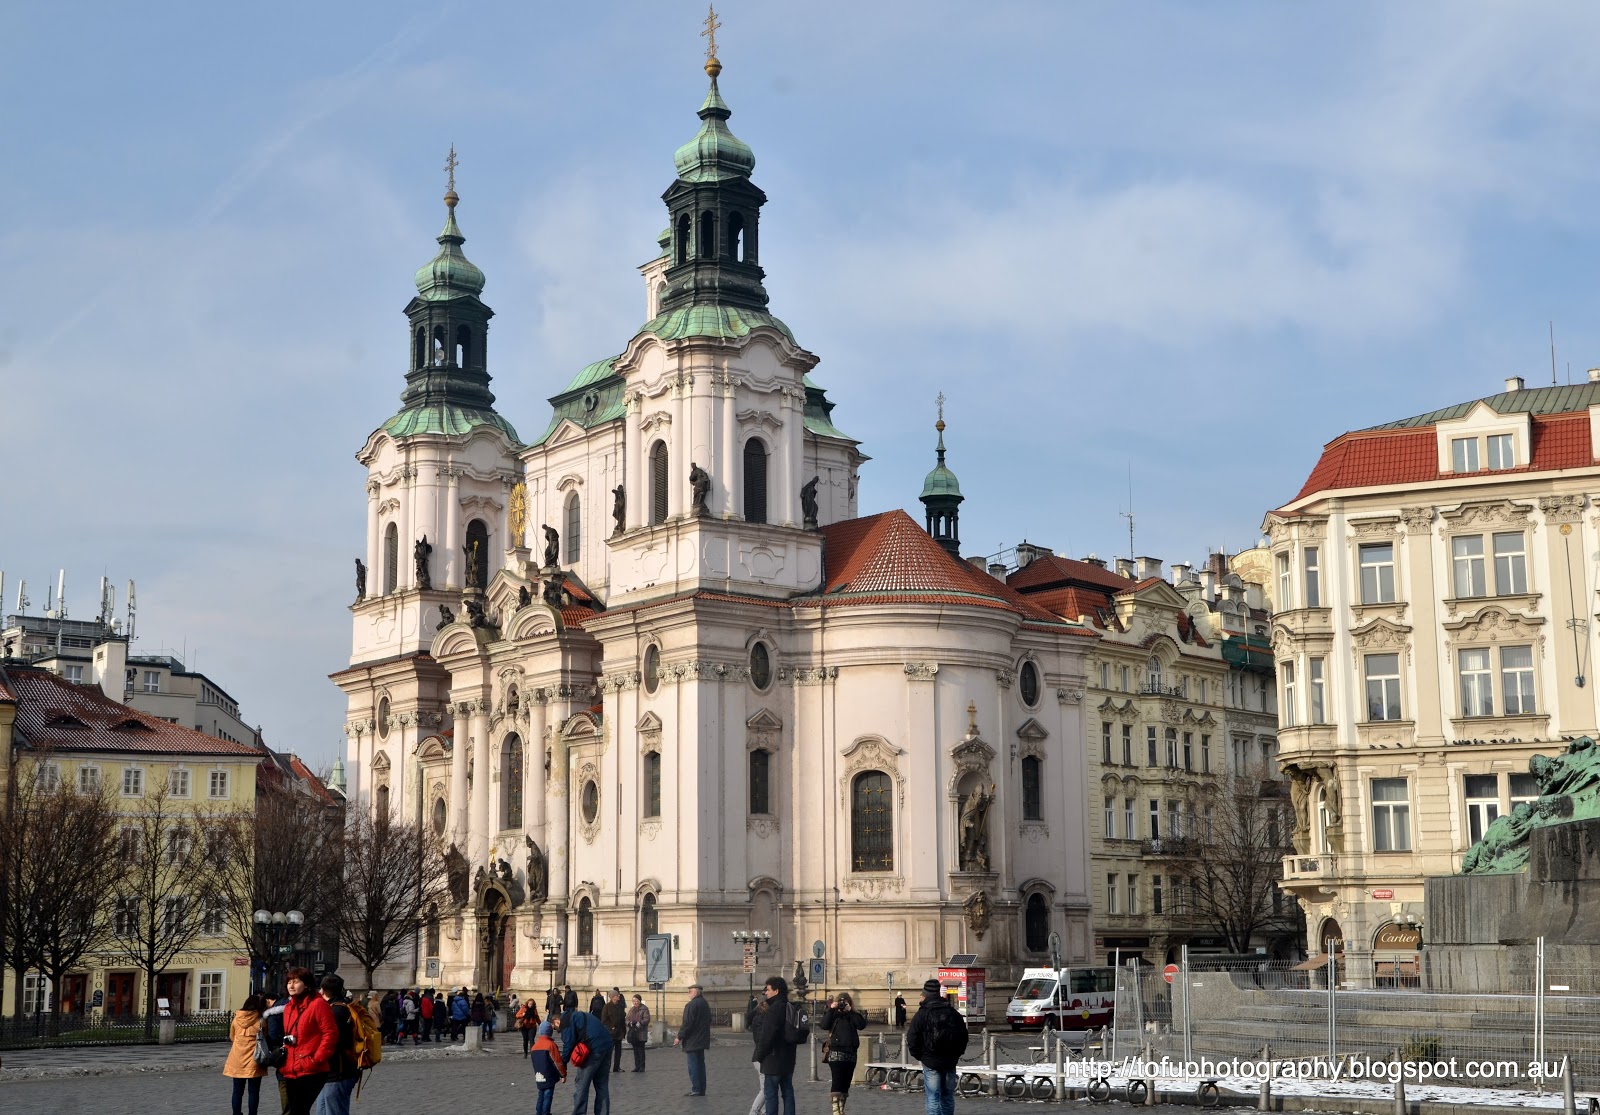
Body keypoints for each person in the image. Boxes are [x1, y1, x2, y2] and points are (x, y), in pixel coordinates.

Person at [907, 978, 970, 1115]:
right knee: (947, 1097)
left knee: (933, 1097)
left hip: (931, 1061)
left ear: (925, 994)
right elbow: (963, 1035)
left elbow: (912, 1038)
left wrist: (921, 1056)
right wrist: (957, 1054)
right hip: (949, 1061)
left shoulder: (921, 1014)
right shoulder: (952, 1012)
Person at [280, 967, 337, 1115]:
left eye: (296, 982)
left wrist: (316, 1059)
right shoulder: (288, 1008)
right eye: (289, 982)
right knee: (295, 1110)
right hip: (291, 1068)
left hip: (311, 1068)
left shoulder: (318, 1005)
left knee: (298, 1110)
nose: (291, 985)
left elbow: (330, 1034)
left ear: (307, 985)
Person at [315, 974, 362, 1115]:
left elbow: (332, 1043)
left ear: (322, 990)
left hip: (338, 1072)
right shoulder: (342, 1007)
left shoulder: (335, 1011)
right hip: (334, 1072)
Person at [751, 976, 798, 1115]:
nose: (766, 992)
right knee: (788, 1092)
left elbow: (767, 1035)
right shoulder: (791, 1006)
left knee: (771, 1095)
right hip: (789, 1058)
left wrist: (759, 1056)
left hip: (772, 1059)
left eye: (769, 989)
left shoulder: (774, 1008)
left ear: (776, 991)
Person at [561, 998, 614, 1115]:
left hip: (594, 1049)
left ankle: (579, 1113)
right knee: (602, 1084)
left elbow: (568, 1043)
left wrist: (562, 1064)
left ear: (556, 1022)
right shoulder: (580, 1015)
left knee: (582, 1084)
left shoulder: (565, 1020)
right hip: (608, 1044)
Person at [819, 992, 868, 1115]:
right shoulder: (834, 1014)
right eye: (840, 1002)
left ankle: (842, 1110)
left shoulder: (852, 1015)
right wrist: (831, 1009)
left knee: (846, 1084)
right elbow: (824, 1025)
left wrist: (850, 1011)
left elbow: (861, 1025)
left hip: (851, 1054)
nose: (842, 1005)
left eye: (844, 1003)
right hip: (836, 1053)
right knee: (837, 1082)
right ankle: (836, 1112)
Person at [222, 992, 268, 1115]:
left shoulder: (236, 1020)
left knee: (237, 1091)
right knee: (253, 1091)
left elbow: (232, 1037)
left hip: (237, 1058)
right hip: (254, 1059)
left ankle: (236, 1113)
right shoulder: (261, 1021)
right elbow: (265, 1038)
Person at [674, 982, 711, 1097]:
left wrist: (679, 1037)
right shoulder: (705, 1003)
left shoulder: (691, 1005)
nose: (688, 994)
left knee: (693, 1066)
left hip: (693, 1040)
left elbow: (687, 1024)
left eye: (690, 991)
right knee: (700, 1065)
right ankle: (701, 1089)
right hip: (702, 1039)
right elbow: (709, 1020)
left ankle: (696, 1089)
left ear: (695, 992)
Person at [531, 1018, 566, 1115]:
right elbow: (557, 1062)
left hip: (539, 1075)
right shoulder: (550, 1045)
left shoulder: (534, 1046)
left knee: (540, 1094)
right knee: (548, 1095)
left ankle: (539, 1112)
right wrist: (563, 1074)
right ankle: (546, 1112)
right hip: (549, 1075)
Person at [602, 989, 628, 1072]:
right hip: (611, 1033)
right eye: (617, 995)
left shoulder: (620, 1006)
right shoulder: (607, 1006)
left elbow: (622, 1019)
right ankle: (607, 1067)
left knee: (618, 1052)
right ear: (613, 997)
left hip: (619, 1032)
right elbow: (604, 1019)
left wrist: (624, 1030)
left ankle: (616, 1067)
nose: (619, 996)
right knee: (609, 1052)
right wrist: (611, 1027)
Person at [625, 994, 651, 1072]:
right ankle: (637, 1066)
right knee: (635, 1050)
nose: (635, 1003)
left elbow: (647, 1019)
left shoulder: (644, 1009)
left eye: (636, 1001)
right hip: (633, 1033)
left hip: (641, 1033)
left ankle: (642, 1067)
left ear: (639, 1001)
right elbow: (627, 1019)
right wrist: (629, 1023)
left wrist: (640, 1023)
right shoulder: (632, 1009)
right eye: (634, 1001)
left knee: (641, 1050)